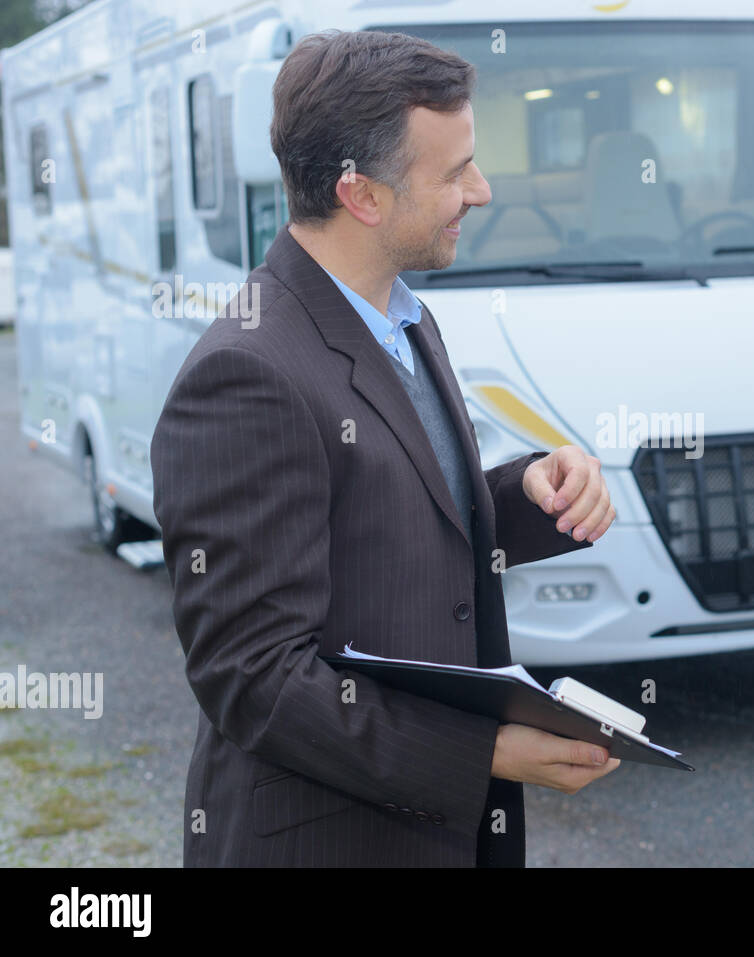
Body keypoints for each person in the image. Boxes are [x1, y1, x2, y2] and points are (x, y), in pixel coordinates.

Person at [150, 29, 620, 867]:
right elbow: (253, 676)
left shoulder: (403, 315)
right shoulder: (245, 373)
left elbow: (394, 513)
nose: (481, 190)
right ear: (360, 194)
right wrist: (483, 752)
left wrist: (529, 492)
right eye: (455, 172)